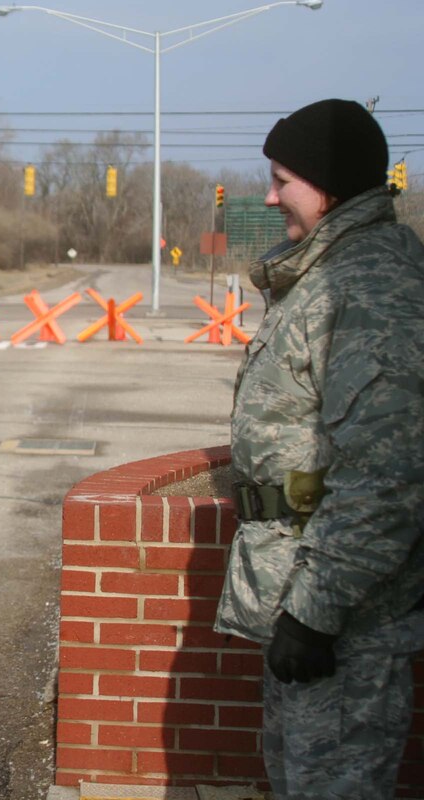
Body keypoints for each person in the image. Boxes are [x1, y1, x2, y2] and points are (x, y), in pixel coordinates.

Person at [215, 98, 424, 799]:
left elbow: (388, 475)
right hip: (305, 598)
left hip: (342, 621)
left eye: (282, 179)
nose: (270, 196)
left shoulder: (366, 287)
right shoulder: (330, 271)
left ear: (328, 183)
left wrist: (315, 612)